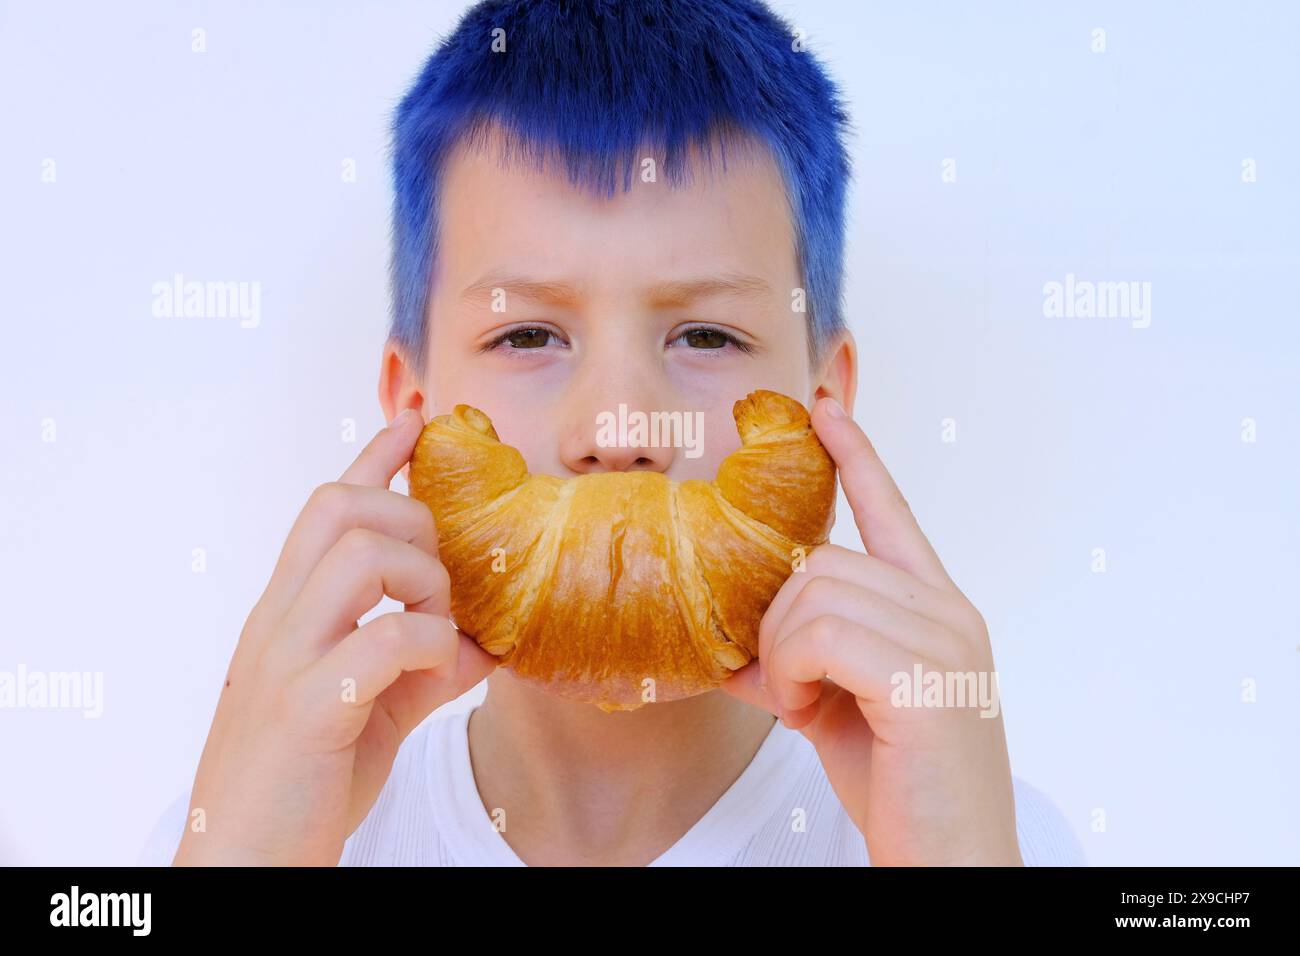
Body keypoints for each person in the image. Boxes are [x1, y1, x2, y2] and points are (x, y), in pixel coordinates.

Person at [139, 0, 1085, 866]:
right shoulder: (261, 821)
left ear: (824, 406)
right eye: (527, 335)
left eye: (707, 335)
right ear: (410, 409)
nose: (620, 427)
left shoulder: (983, 835)